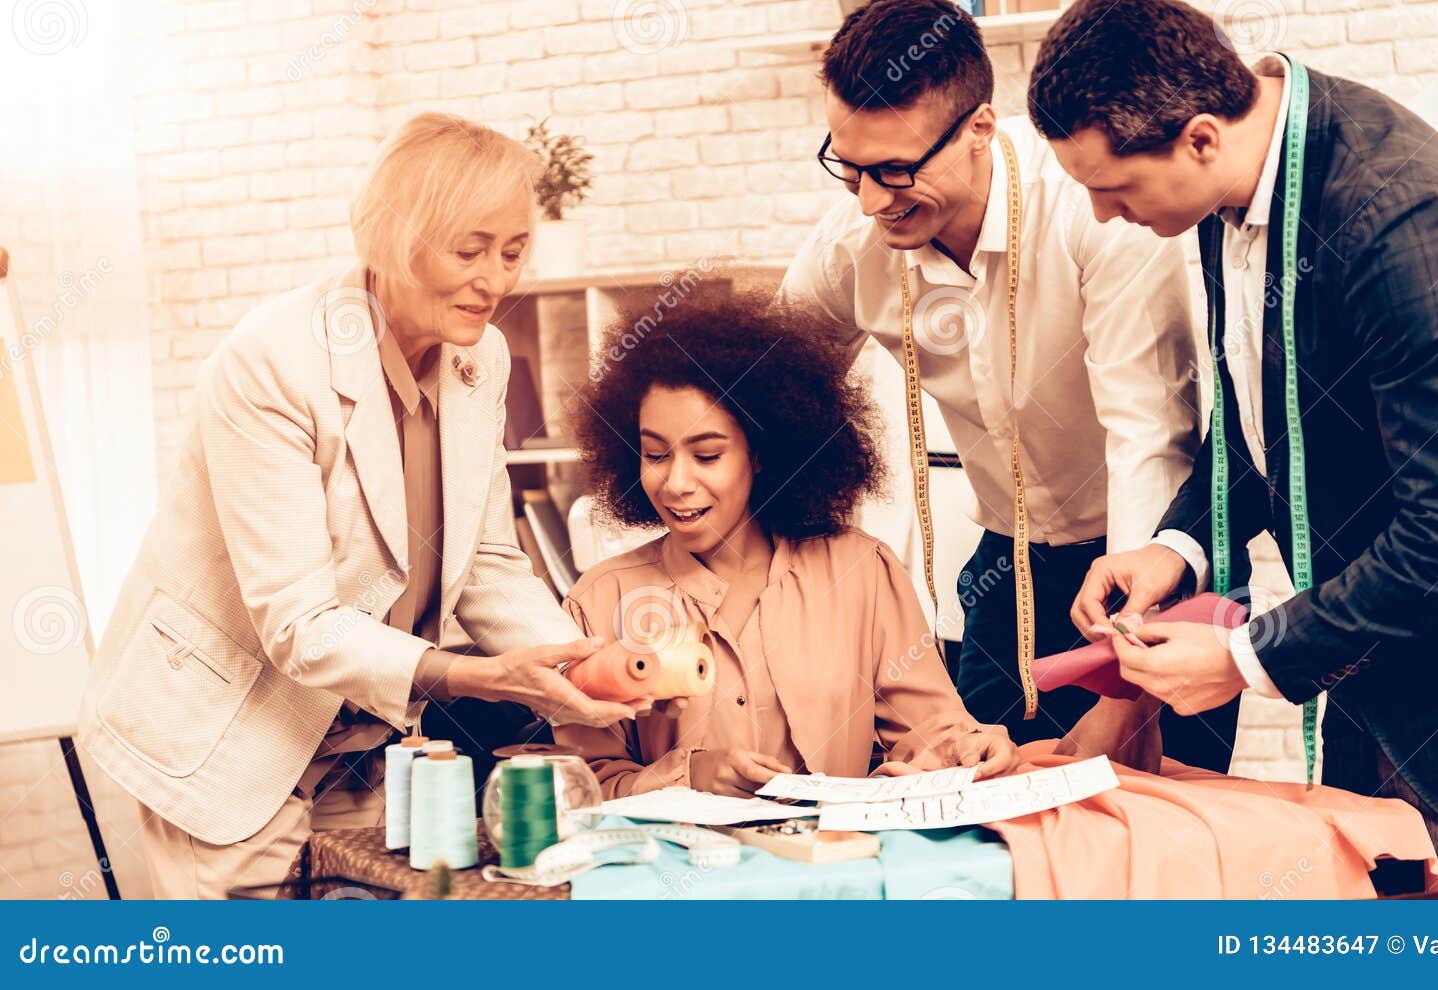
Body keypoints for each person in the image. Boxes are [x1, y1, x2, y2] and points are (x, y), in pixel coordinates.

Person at [1032, 0, 1438, 885]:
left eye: (1115, 189)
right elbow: (1265, 411)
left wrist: (1244, 658)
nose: (1104, 217)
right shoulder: (1239, 187)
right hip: (1365, 667)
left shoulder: (1409, 219)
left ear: (1200, 138)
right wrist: (1176, 547)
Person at [76, 113, 645, 898]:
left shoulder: (480, 357)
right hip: (233, 738)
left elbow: (484, 562)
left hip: (363, 739)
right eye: (469, 250)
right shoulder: (272, 362)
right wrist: (479, 678)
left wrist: (581, 662)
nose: (496, 279)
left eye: (512, 251)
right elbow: (298, 623)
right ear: (394, 239)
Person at [776, 0, 1236, 769]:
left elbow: (1147, 437)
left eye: (895, 170)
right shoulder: (855, 239)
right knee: (992, 819)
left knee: (1156, 824)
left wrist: (1126, 679)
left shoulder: (1095, 205)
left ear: (980, 129)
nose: (868, 200)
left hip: (1151, 559)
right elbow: (767, 392)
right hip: (1007, 564)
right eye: (849, 168)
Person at [553, 295, 1017, 797]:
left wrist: (966, 749)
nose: (676, 482)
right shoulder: (600, 601)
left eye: (707, 455)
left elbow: (930, 731)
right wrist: (689, 776)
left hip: (837, 863)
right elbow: (581, 787)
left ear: (760, 453)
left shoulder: (861, 571)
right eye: (655, 454)